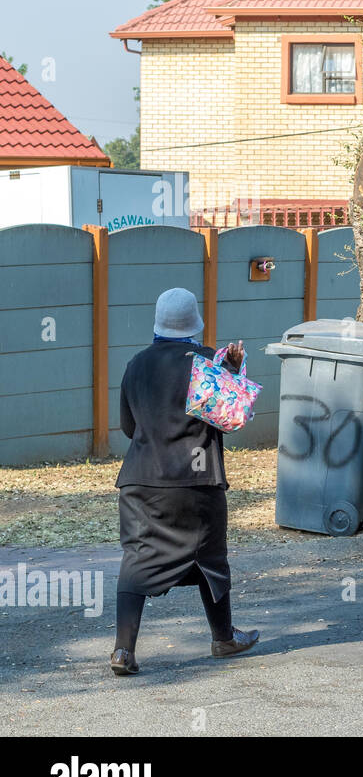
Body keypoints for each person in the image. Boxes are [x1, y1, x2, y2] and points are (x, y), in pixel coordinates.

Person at [111, 287, 260, 676]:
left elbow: (129, 427)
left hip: (141, 482)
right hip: (197, 481)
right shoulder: (209, 362)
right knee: (210, 559)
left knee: (136, 560)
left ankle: (123, 652)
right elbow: (233, 419)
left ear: (158, 323)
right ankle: (224, 638)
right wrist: (230, 374)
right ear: (195, 323)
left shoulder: (136, 364)